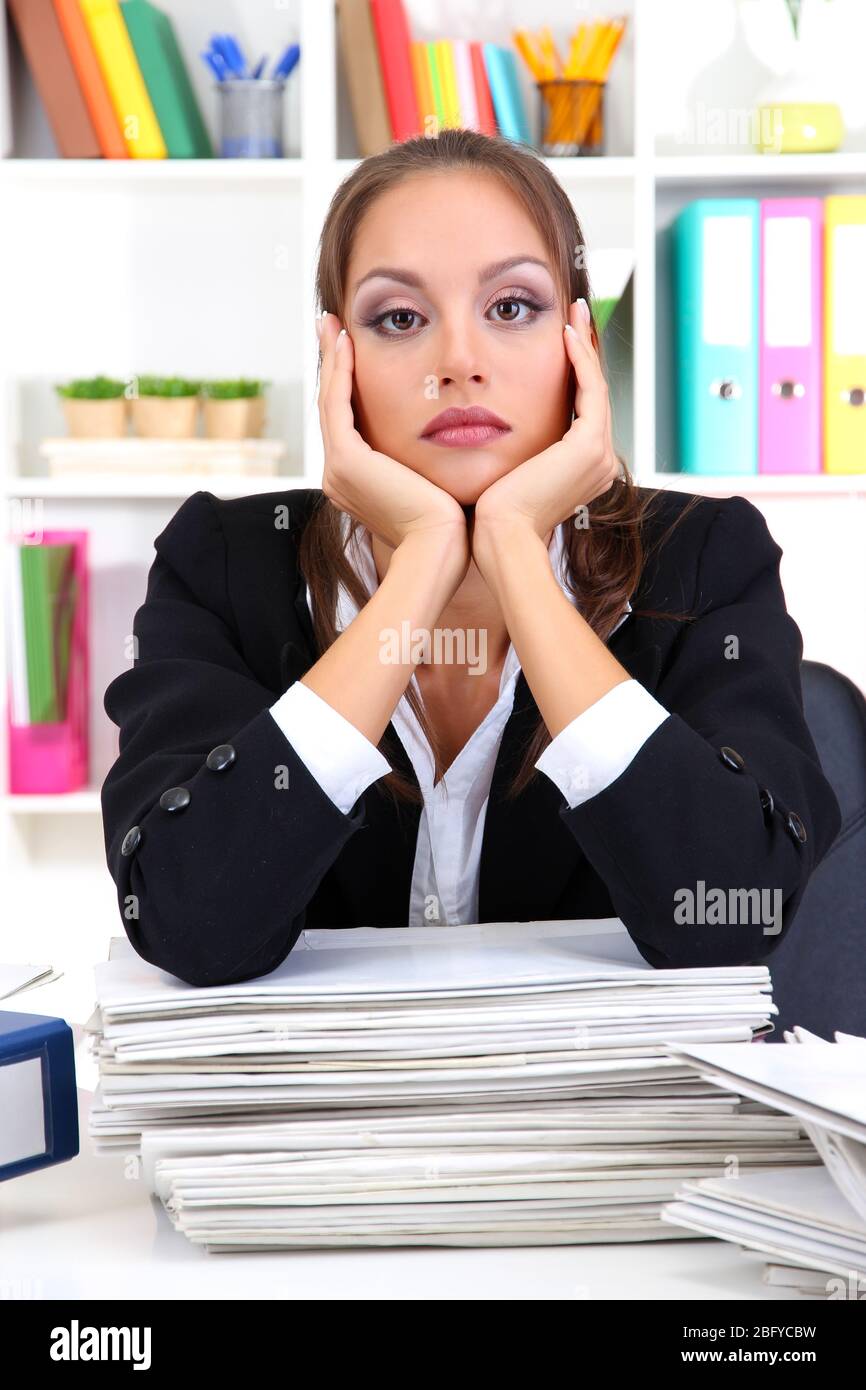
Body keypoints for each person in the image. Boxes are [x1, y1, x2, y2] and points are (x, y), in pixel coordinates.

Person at [100, 128, 841, 987]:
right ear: (335, 362)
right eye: (400, 319)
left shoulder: (706, 557)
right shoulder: (222, 564)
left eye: (512, 307)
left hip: (596, 1114)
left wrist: (516, 554)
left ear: (581, 349)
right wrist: (419, 568)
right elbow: (189, 923)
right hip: (324, 1115)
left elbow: (730, 907)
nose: (458, 363)